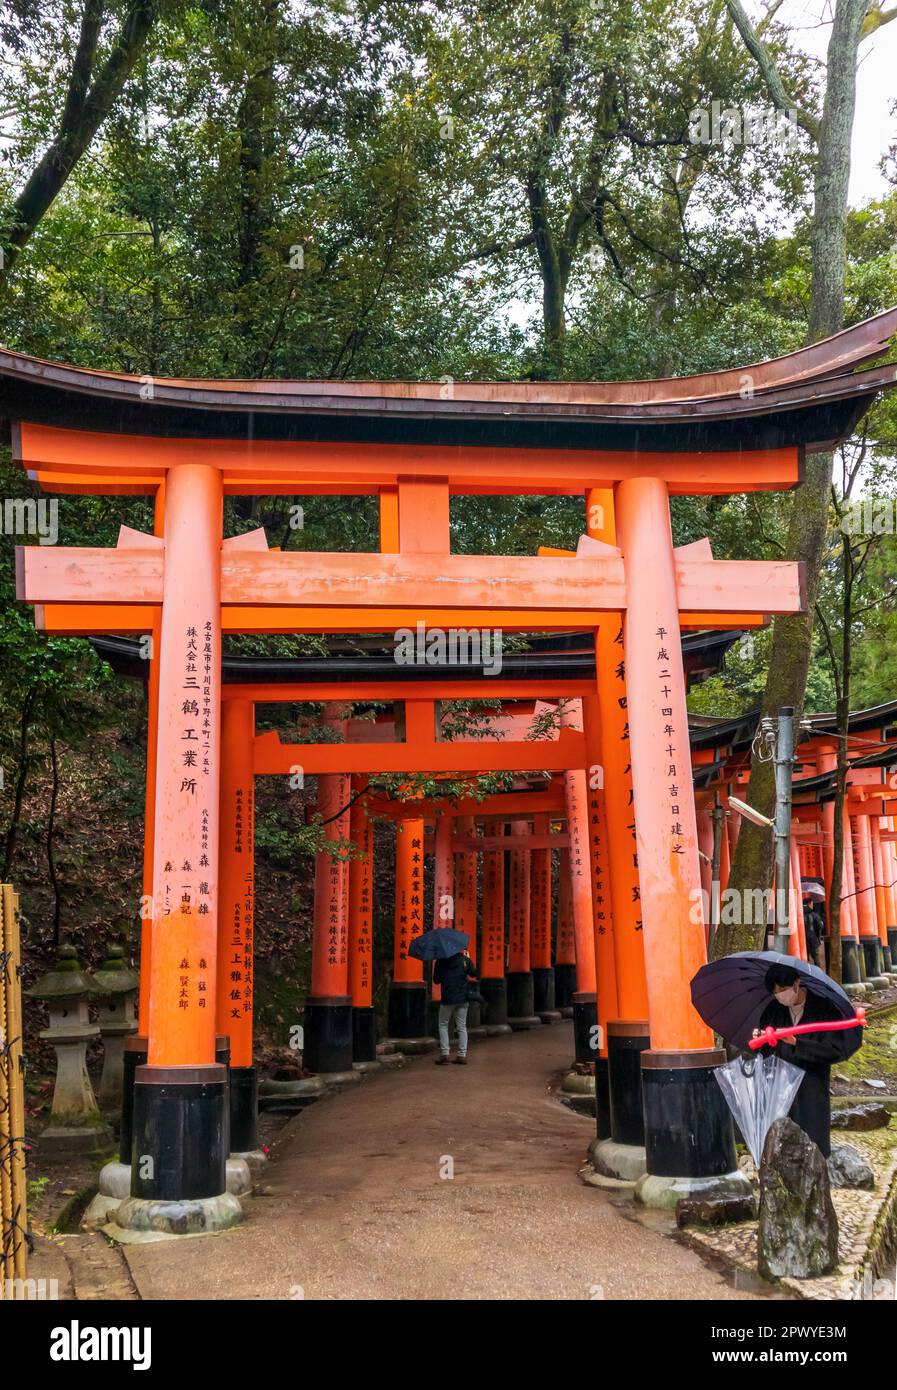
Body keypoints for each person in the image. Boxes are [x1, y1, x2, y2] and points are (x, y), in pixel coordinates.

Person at [752, 962, 851, 1158]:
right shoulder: (774, 1009)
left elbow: (832, 1050)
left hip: (811, 1083)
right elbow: (766, 1052)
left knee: (812, 1141)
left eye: (783, 989)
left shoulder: (823, 1008)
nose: (780, 995)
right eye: (776, 992)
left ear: (796, 983)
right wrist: (761, 1039)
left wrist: (797, 1043)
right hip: (780, 1084)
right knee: (783, 1142)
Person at [433, 949, 478, 1065]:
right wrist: (468, 959)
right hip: (463, 998)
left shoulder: (441, 961)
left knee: (443, 1024)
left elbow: (436, 980)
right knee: (462, 1026)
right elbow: (474, 973)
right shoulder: (464, 959)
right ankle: (461, 1055)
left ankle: (445, 1054)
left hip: (448, 998)